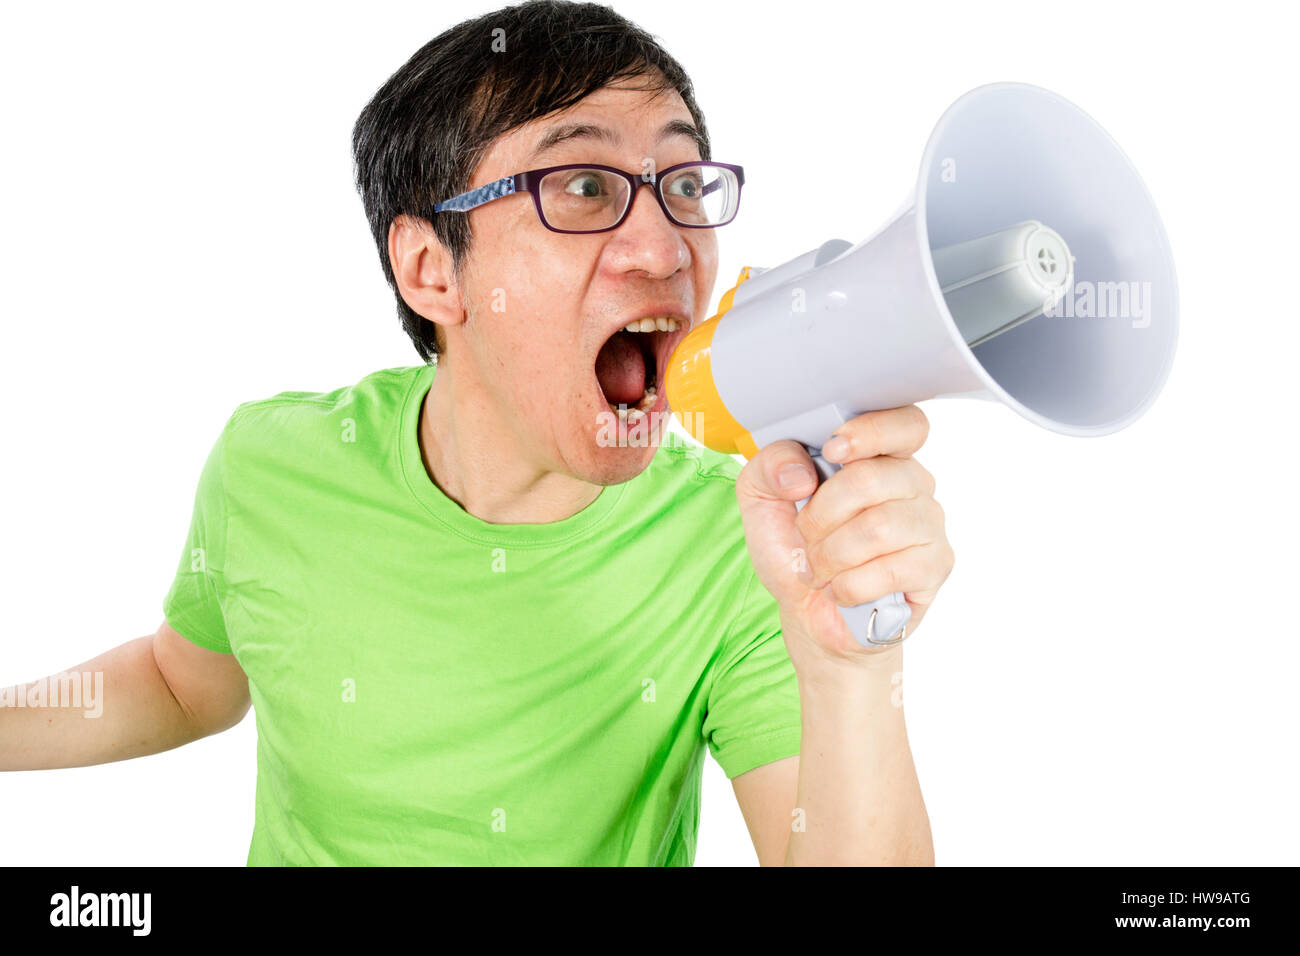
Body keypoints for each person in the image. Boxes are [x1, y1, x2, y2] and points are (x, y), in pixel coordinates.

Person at [0, 0, 953, 866]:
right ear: (430, 271)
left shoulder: (747, 544)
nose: (666, 248)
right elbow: (181, 683)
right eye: (583, 185)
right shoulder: (270, 463)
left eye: (683, 184)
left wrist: (851, 666)